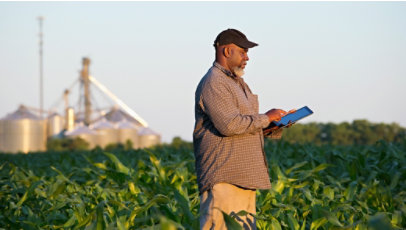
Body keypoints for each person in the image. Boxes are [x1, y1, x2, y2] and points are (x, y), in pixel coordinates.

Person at [193, 28, 290, 229]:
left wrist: (274, 124)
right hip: (224, 178)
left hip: (244, 177)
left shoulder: (238, 83)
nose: (247, 57)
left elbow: (245, 125)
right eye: (243, 52)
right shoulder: (214, 82)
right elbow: (229, 125)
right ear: (227, 51)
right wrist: (266, 117)